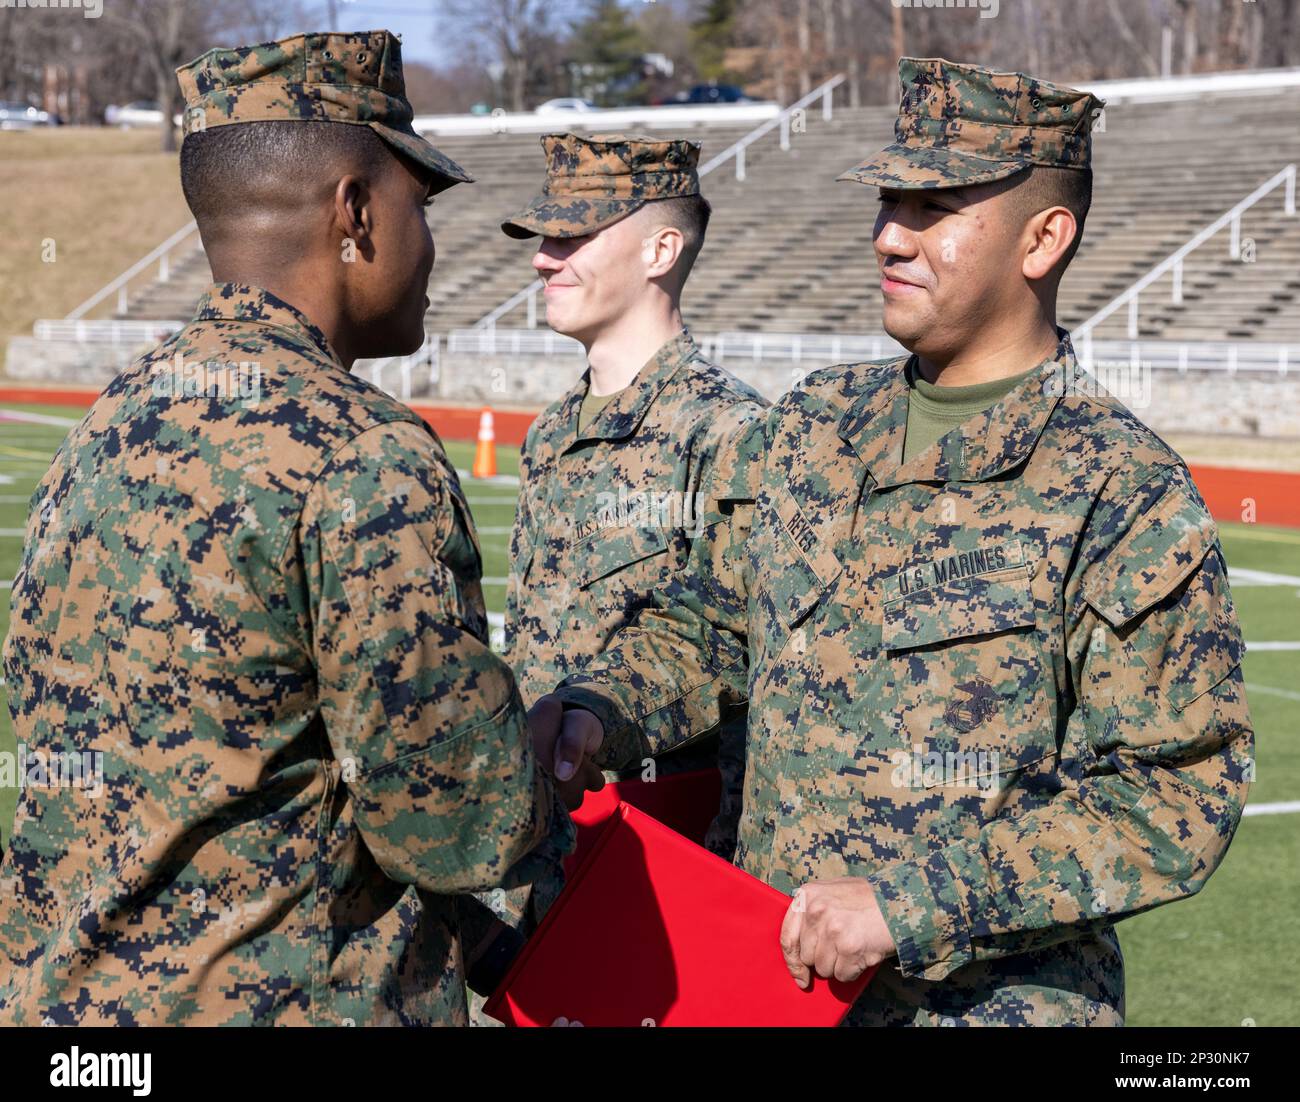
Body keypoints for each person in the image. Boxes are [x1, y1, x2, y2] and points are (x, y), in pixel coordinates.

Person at [535, 58, 1254, 1026]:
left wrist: (912, 907)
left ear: (1044, 237)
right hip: (765, 994)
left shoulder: (1118, 488)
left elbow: (1174, 794)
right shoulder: (810, 426)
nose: (887, 235)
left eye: (933, 206)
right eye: (887, 200)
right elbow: (711, 630)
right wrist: (601, 707)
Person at [0, 29, 571, 1026]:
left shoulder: (102, 428)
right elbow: (453, 822)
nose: (430, 242)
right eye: (416, 203)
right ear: (354, 210)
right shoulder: (360, 455)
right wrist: (530, 751)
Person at [501, 131, 766, 869]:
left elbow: (736, 651)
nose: (542, 257)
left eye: (572, 234)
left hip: (650, 866)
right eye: (544, 234)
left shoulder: (732, 432)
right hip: (534, 854)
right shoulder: (552, 430)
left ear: (660, 251)